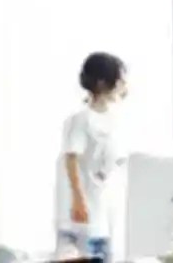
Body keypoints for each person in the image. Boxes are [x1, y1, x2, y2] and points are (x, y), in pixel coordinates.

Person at [55, 52, 129, 261]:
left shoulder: (116, 120)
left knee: (103, 249)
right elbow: (72, 158)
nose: (124, 84)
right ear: (103, 82)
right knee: (83, 252)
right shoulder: (81, 120)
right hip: (83, 208)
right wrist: (78, 199)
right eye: (120, 78)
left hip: (104, 205)